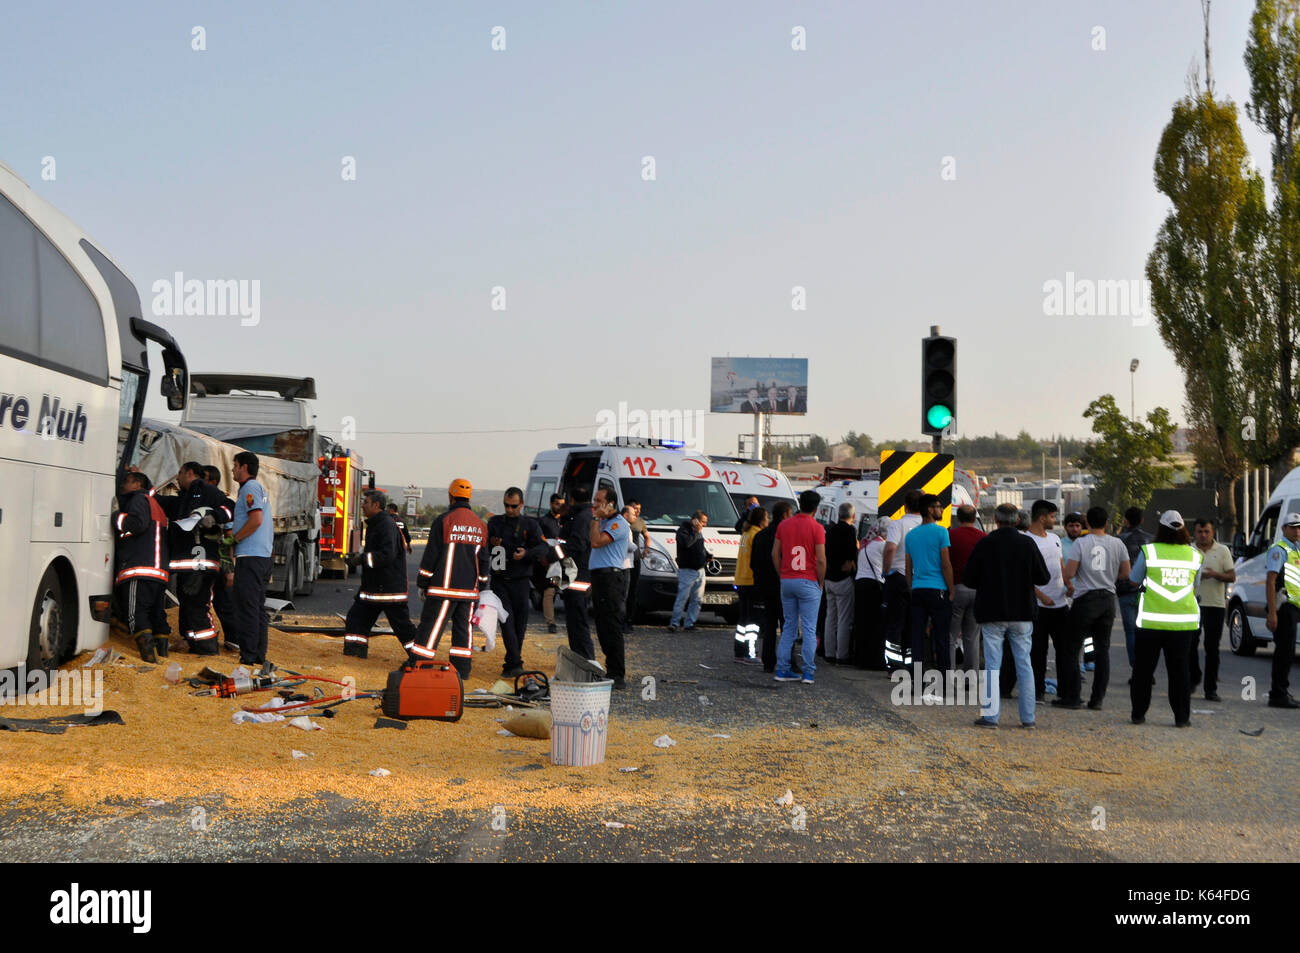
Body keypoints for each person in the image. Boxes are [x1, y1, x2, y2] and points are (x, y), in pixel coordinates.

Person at [963, 503, 1051, 729]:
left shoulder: (985, 543)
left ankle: (991, 716)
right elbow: (1043, 578)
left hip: (992, 613)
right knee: (1024, 664)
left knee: (993, 664)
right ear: (1017, 520)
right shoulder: (1027, 543)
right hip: (1022, 614)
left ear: (995, 518)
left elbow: (969, 579)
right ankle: (1028, 718)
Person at [1130, 511, 1204, 726]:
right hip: (1183, 624)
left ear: (1160, 529)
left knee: (1143, 670)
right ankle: (1181, 718)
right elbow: (1195, 584)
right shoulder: (1194, 554)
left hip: (1150, 623)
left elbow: (1134, 580)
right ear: (1183, 529)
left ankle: (1138, 714)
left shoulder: (1150, 551)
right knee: (1180, 672)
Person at [412, 479, 489, 679]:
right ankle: (462, 670)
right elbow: (483, 560)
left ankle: (419, 665)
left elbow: (431, 555)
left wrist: (423, 582)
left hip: (442, 590)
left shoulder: (444, 520)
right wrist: (481, 584)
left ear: (451, 496)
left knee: (431, 628)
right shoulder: (480, 525)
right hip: (469, 592)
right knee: (464, 632)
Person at [1059, 506, 1130, 711]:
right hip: (1108, 599)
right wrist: (1108, 577)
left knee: (1071, 648)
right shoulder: (1117, 543)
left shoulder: (1081, 543)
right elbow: (1126, 573)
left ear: (1087, 523)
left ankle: (1072, 697)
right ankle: (1097, 699)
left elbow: (1070, 572)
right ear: (1107, 523)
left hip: (1085, 599)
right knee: (1102, 651)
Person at [165, 461, 234, 655]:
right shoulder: (184, 498)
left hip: (200, 565)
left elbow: (230, 508)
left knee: (197, 604)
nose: (177, 478)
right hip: (189, 565)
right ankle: (192, 641)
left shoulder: (207, 492)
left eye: (179, 473)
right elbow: (163, 503)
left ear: (189, 473)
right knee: (187, 603)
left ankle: (207, 646)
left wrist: (214, 515)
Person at [341, 490, 418, 659]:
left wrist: (361, 559)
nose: (362, 504)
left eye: (366, 502)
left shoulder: (386, 525)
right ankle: (354, 654)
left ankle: (420, 658)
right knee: (356, 620)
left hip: (388, 590)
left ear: (376, 505)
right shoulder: (377, 524)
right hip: (374, 590)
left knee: (403, 628)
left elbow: (386, 555)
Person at [1006, 500, 1067, 701]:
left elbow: (1060, 566)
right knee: (1038, 652)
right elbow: (1023, 576)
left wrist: (1069, 586)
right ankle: (1038, 691)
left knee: (1065, 651)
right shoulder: (1025, 541)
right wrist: (1042, 596)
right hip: (1039, 606)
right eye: (1052, 516)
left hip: (1060, 605)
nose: (1054, 520)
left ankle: (1064, 692)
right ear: (1042, 518)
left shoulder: (1055, 538)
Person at [487, 487, 550, 677]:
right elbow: (483, 545)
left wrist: (526, 554)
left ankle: (512, 661)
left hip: (521, 580)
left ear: (521, 504)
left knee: (519, 624)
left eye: (513, 506)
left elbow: (543, 547)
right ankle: (515, 662)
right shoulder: (495, 522)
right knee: (506, 621)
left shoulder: (530, 525)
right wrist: (492, 543)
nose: (509, 509)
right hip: (500, 580)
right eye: (506, 505)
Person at [112, 471, 170, 662]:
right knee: (156, 614)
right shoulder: (156, 504)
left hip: (139, 569)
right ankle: (162, 654)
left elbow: (136, 524)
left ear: (137, 484)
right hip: (158, 571)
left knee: (135, 614)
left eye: (126, 481)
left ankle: (149, 659)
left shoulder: (138, 499)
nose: (122, 485)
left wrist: (116, 517)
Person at [772, 490, 826, 684]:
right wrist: (820, 581)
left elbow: (775, 553)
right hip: (808, 580)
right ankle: (808, 672)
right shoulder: (817, 528)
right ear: (816, 509)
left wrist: (782, 574)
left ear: (799, 504)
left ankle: (782, 669)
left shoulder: (784, 525)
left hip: (787, 580)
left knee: (788, 627)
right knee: (809, 629)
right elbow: (820, 559)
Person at [228, 451, 274, 666]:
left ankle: (248, 657)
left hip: (251, 556)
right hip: (261, 556)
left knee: (246, 608)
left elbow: (256, 519)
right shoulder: (256, 489)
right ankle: (257, 656)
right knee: (256, 608)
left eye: (235, 465)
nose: (232, 470)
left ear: (244, 467)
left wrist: (234, 539)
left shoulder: (250, 488)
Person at [904, 494, 953, 680]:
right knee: (941, 637)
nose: (941, 509)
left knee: (917, 636)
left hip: (918, 590)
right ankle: (944, 680)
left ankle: (917, 679)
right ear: (930, 509)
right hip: (938, 589)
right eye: (939, 506)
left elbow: (908, 568)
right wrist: (952, 589)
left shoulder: (911, 535)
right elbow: (946, 564)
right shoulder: (941, 532)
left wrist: (911, 588)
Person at [588, 486, 631, 689]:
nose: (595, 504)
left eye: (599, 501)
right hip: (599, 578)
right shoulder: (604, 522)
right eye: (594, 500)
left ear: (610, 504)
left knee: (611, 627)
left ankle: (617, 674)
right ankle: (611, 669)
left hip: (611, 579)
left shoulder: (617, 524)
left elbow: (596, 542)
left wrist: (596, 519)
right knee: (602, 627)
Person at [1191, 517, 1234, 701]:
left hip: (1215, 605)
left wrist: (1215, 574)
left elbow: (1232, 576)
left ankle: (1211, 689)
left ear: (1213, 532)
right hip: (1192, 605)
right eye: (1200, 532)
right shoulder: (1189, 551)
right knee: (1190, 646)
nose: (1203, 535)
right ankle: (1193, 677)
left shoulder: (1222, 550)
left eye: (1206, 531)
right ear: (1194, 533)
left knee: (1212, 648)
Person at [881, 490, 924, 671]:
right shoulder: (928, 526)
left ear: (905, 506)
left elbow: (890, 548)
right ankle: (910, 664)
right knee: (912, 624)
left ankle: (893, 666)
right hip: (920, 579)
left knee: (895, 623)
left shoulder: (898, 525)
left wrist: (885, 570)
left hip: (898, 576)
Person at [1263, 512, 1300, 708]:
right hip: (1282, 606)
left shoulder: (1296, 549)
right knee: (1283, 653)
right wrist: (1272, 613)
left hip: (1293, 607)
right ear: (1284, 529)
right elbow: (1271, 581)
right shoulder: (1279, 550)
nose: (1297, 530)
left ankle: (1282, 690)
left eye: (1299, 527)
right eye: (1292, 527)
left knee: (1288, 652)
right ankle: (1277, 694)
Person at [751, 500, 791, 673]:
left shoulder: (761, 535)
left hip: (765, 587)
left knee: (769, 626)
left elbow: (753, 563)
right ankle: (786, 661)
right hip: (783, 585)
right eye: (790, 515)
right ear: (784, 515)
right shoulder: (787, 535)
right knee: (787, 625)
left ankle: (768, 661)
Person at [947, 504, 985, 672]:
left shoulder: (950, 535)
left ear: (959, 518)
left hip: (956, 589)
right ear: (974, 518)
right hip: (978, 591)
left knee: (950, 636)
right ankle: (972, 675)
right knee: (972, 637)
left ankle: (947, 672)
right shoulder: (983, 537)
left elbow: (945, 563)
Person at [559, 486, 595, 662]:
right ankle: (581, 658)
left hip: (577, 576)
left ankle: (585, 660)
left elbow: (576, 545)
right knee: (577, 622)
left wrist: (555, 551)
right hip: (581, 575)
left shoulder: (581, 518)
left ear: (572, 500)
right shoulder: (588, 515)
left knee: (577, 623)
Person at [203, 464, 238, 646]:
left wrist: (229, 569)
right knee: (215, 601)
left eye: (205, 478)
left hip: (219, 562)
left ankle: (234, 638)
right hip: (205, 561)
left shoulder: (222, 505)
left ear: (213, 482)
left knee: (223, 602)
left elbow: (229, 538)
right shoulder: (201, 501)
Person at [1117, 506, 1153, 670]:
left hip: (1125, 590)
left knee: (1130, 632)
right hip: (1147, 592)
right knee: (1145, 632)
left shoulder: (1120, 540)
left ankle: (1136, 667)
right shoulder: (1151, 540)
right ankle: (1146, 666)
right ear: (1142, 520)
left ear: (1126, 521)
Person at [823, 502, 858, 665]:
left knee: (830, 617)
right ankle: (841, 655)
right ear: (853, 516)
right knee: (844, 619)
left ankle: (828, 653)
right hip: (843, 579)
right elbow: (852, 550)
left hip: (829, 578)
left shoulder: (830, 530)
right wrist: (851, 560)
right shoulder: (850, 530)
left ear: (838, 514)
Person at [852, 517, 889, 669]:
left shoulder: (866, 544)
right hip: (874, 587)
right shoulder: (882, 545)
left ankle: (860, 659)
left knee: (861, 624)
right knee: (875, 626)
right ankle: (874, 661)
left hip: (860, 584)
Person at [733, 507, 767, 663]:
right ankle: (751, 653)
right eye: (767, 518)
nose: (768, 521)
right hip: (751, 581)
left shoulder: (745, 533)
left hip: (740, 580)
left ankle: (739, 652)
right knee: (753, 621)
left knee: (743, 620)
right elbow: (759, 561)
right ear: (761, 520)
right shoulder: (757, 535)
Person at [669, 510, 710, 632]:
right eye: (703, 522)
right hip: (687, 570)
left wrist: (707, 555)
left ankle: (689, 624)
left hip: (700, 570)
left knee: (697, 599)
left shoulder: (699, 532)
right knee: (682, 598)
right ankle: (674, 623)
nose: (704, 525)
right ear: (695, 520)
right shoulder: (683, 530)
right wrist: (697, 532)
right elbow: (687, 544)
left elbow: (700, 546)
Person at [538, 493, 566, 633]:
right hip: (551, 562)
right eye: (557, 504)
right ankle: (551, 623)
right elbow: (539, 542)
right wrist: (545, 558)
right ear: (550, 504)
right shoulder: (543, 522)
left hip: (566, 562)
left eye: (562, 504)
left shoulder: (567, 521)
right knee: (550, 591)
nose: (559, 507)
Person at [624, 499, 650, 632]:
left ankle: (629, 619)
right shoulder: (622, 521)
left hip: (635, 559)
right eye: (635, 509)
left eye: (639, 509)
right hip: (623, 560)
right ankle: (621, 619)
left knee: (633, 590)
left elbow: (647, 536)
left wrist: (646, 549)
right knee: (624, 590)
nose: (638, 511)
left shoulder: (639, 522)